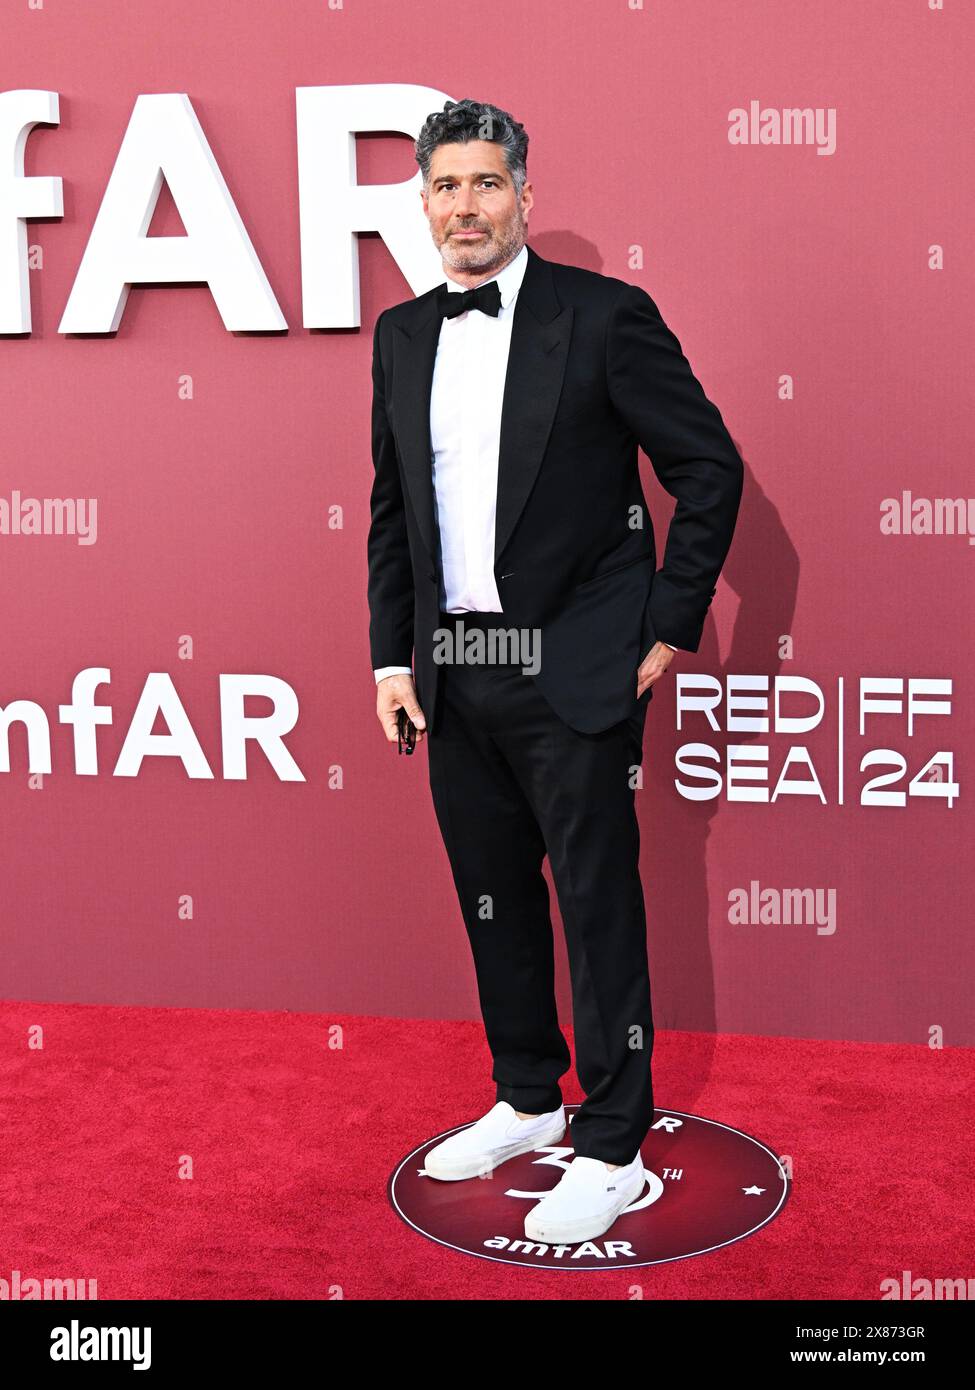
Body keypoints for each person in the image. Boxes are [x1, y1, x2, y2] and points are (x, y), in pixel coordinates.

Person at [367, 98, 743, 1244]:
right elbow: (396, 511)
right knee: (494, 901)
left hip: (576, 668)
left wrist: (667, 625)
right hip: (457, 668)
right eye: (446, 187)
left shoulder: (605, 316)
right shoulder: (402, 333)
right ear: (423, 203)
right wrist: (393, 655)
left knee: (596, 907)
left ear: (525, 194)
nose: (466, 207)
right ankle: (529, 1094)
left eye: (486, 184)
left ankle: (614, 1141)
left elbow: (709, 466)